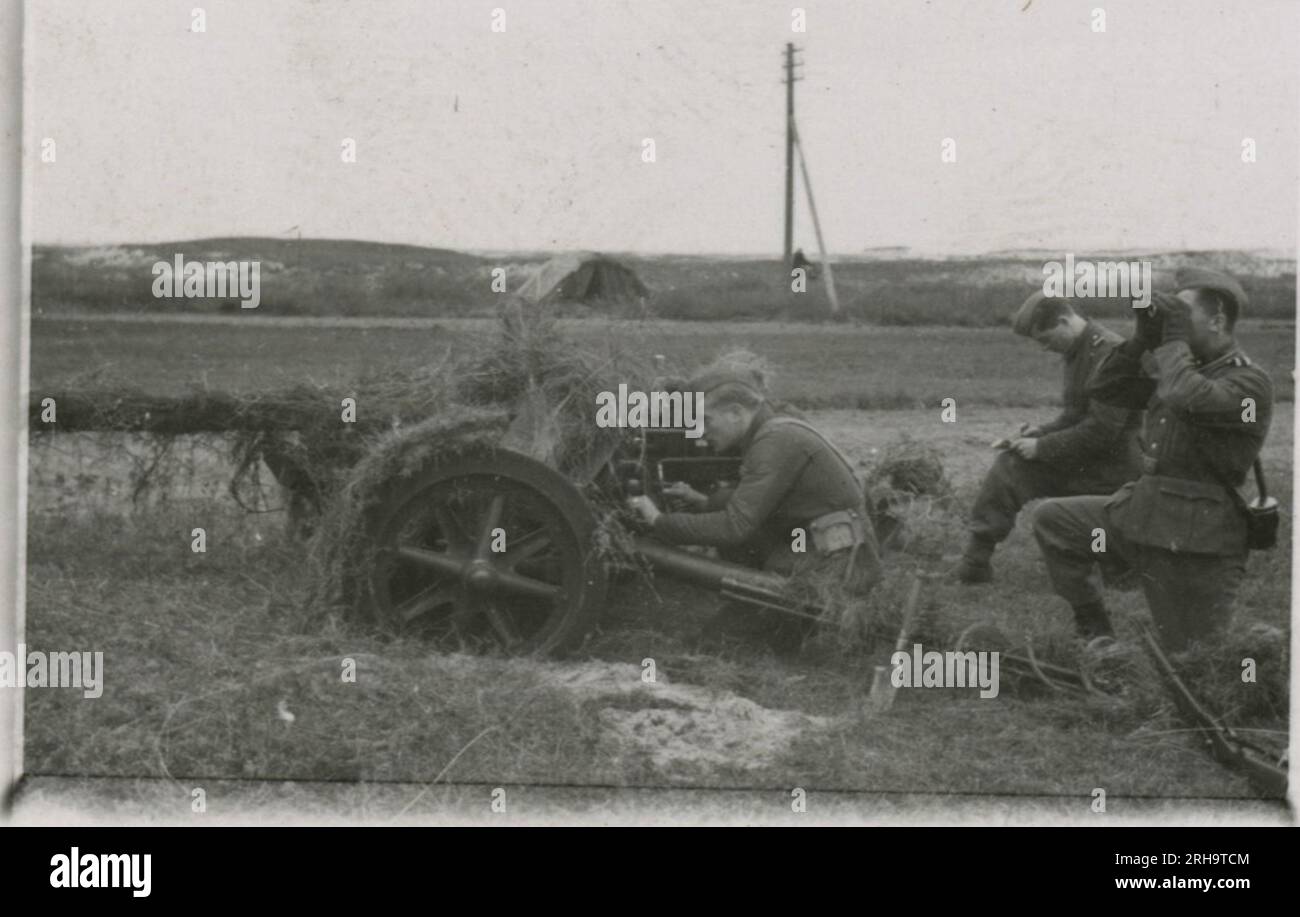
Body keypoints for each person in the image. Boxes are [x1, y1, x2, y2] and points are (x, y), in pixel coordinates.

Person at [1031, 268, 1272, 648]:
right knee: (1056, 521)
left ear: (1218, 320)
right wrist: (1143, 336)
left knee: (1193, 663)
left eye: (1182, 315)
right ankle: (1098, 636)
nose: (1172, 325)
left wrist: (1172, 339)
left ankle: (1265, 648)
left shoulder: (1249, 385)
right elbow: (1106, 387)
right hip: (1142, 514)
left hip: (1196, 539)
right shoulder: (1181, 367)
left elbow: (1185, 396)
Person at [626, 362, 881, 650]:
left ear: (736, 412)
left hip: (836, 570)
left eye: (706, 420)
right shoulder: (772, 430)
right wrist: (707, 503)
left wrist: (658, 521)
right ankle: (763, 611)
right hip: (816, 548)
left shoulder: (775, 441)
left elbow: (733, 526)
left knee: (713, 644)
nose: (700, 433)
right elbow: (758, 500)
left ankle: (800, 623)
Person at [956, 292, 1143, 583]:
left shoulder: (1111, 353)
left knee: (1118, 575)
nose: (1045, 348)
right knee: (1010, 465)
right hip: (1088, 460)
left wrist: (1043, 447)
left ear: (1065, 321)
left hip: (1116, 471)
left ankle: (1117, 563)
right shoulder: (1078, 351)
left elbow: (1104, 431)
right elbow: (1074, 417)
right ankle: (975, 563)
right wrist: (1039, 434)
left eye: (1046, 339)